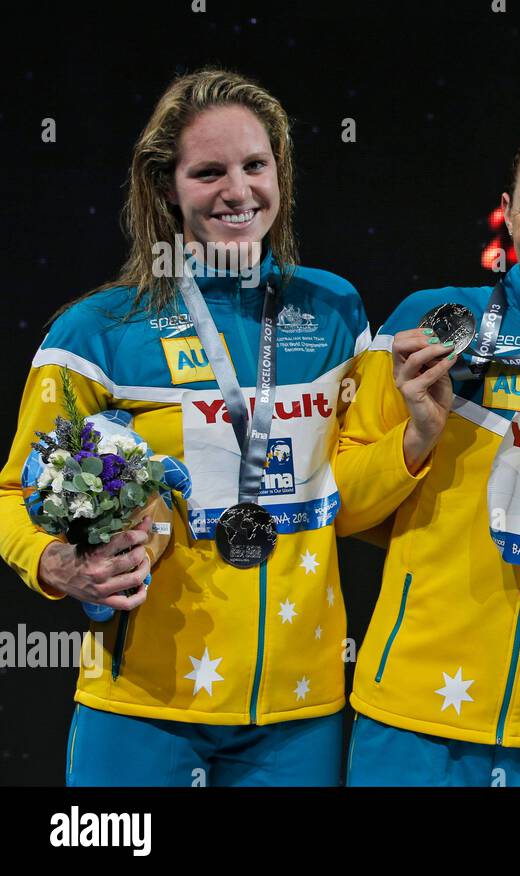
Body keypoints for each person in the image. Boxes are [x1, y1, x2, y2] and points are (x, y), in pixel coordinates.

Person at [0, 68, 384, 786]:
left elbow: (351, 496)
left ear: (281, 172)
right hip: (141, 708)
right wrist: (55, 566)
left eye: (255, 165)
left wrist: (416, 441)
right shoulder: (97, 332)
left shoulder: (334, 312)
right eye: (208, 172)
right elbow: (12, 495)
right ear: (165, 187)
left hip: (298, 714)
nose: (237, 192)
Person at [338, 121, 520, 787]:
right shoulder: (431, 323)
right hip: (411, 712)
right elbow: (341, 505)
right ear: (508, 213)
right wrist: (416, 440)